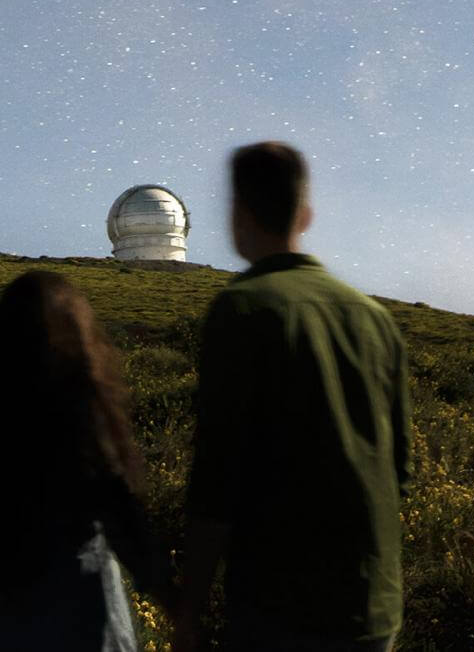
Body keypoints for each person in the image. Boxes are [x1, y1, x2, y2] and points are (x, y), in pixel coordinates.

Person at [173, 142, 412, 652]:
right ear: (307, 213)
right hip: (373, 607)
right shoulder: (376, 319)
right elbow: (399, 469)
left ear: (237, 212)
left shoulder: (241, 309)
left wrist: (189, 608)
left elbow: (216, 478)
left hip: (281, 612)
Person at [0, 270, 175, 651]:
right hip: (88, 615)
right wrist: (174, 602)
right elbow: (123, 515)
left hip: (10, 614)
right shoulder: (81, 414)